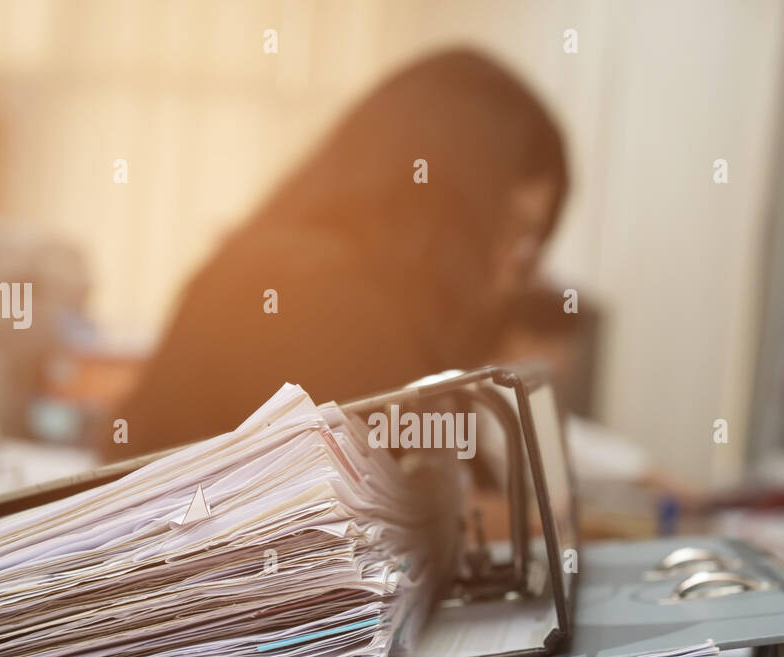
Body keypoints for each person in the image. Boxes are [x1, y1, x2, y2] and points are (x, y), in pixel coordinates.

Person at [116, 48, 568, 457]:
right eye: (512, 229)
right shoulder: (317, 292)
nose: (517, 272)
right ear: (448, 210)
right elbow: (432, 507)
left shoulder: (304, 268)